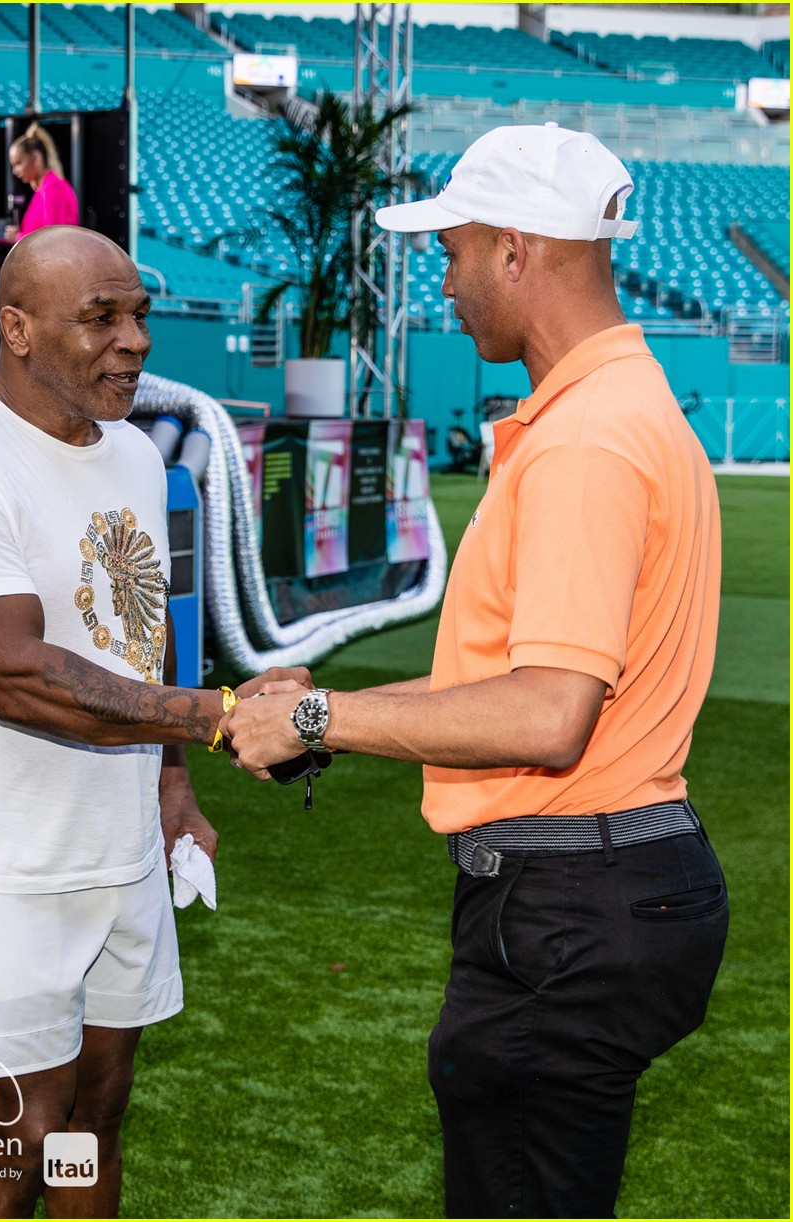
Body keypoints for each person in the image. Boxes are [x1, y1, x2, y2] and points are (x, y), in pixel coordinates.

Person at [221, 123, 729, 1220]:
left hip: (569, 904)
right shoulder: (612, 410)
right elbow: (515, 683)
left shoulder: (586, 439)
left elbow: (548, 715)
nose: (443, 285)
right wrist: (326, 708)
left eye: (452, 254)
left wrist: (319, 718)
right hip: (597, 890)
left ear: (514, 249)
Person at [0, 225, 300, 1218]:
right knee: (21, 1131)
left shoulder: (134, 459)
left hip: (116, 852)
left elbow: (143, 630)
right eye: (100, 316)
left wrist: (169, 782)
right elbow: (18, 675)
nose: (135, 340)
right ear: (16, 328)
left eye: (140, 313)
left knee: (96, 1115)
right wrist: (220, 716)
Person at [3, 121, 79, 244]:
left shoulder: (53, 188)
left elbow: (53, 239)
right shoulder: (44, 189)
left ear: (36, 159)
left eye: (18, 164)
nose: (15, 171)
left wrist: (18, 237)